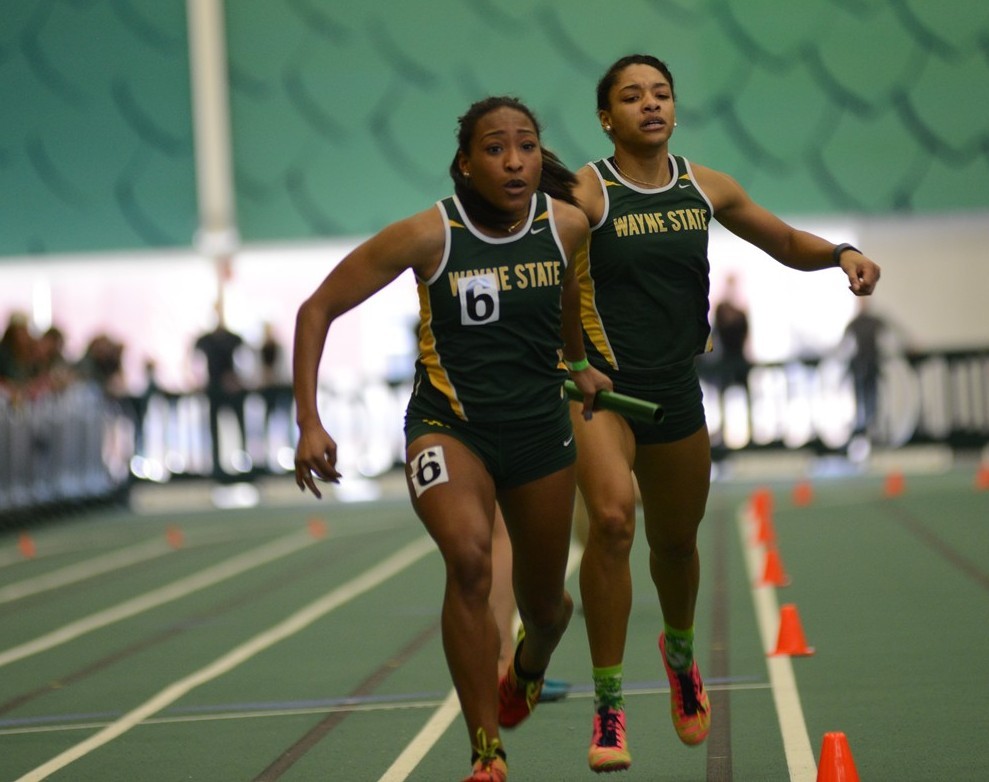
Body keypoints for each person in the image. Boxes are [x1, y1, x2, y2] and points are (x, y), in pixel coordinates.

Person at [569, 54, 882, 773]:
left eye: (660, 93)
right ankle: (609, 705)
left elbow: (781, 240)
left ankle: (679, 656)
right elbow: (538, 258)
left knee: (676, 546)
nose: (649, 104)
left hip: (675, 391)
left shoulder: (702, 186)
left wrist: (840, 252)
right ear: (605, 116)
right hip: (600, 395)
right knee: (613, 522)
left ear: (674, 107)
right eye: (631, 96)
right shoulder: (586, 191)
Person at [293, 96, 611, 782]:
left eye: (525, 145)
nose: (514, 160)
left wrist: (578, 364)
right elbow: (316, 308)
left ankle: (527, 663)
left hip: (538, 435)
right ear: (465, 165)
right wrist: (309, 420)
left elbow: (560, 298)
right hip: (448, 428)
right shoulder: (427, 235)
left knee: (548, 609)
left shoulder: (565, 225)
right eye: (495, 148)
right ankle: (484, 747)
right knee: (468, 561)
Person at [193, 303, 248, 480]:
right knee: (213, 429)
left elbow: (245, 360)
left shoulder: (234, 339)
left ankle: (243, 463)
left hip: (232, 391)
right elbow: (194, 362)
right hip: (214, 390)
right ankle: (217, 466)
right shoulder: (204, 340)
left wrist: (237, 381)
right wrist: (199, 381)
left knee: (240, 426)